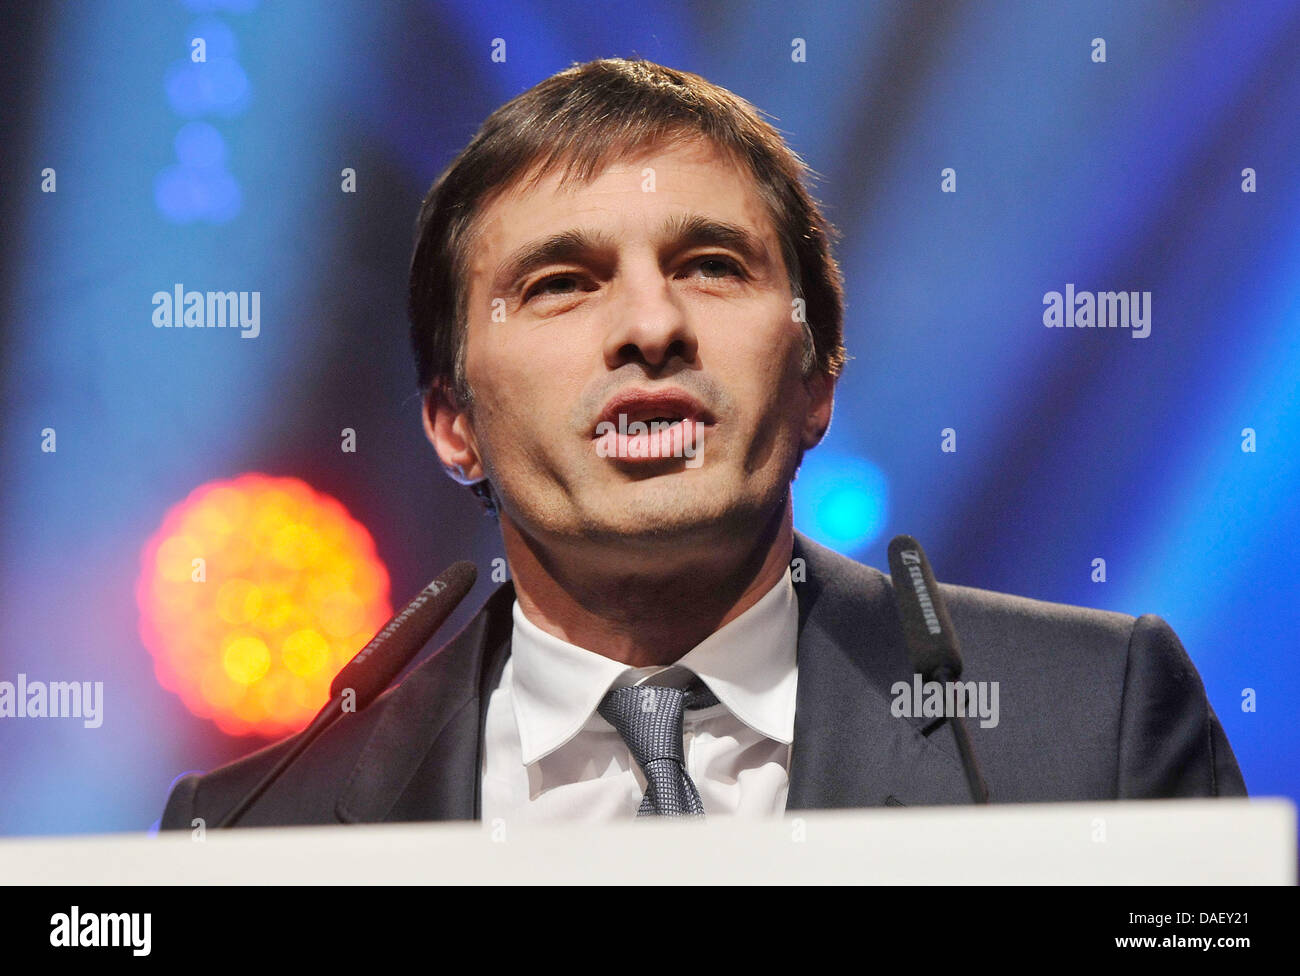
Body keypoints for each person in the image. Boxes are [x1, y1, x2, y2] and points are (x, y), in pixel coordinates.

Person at [161, 58, 1244, 830]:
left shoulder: (1089, 721)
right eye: (560, 284)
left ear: (818, 377)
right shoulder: (259, 828)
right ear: (453, 423)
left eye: (713, 266)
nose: (652, 325)